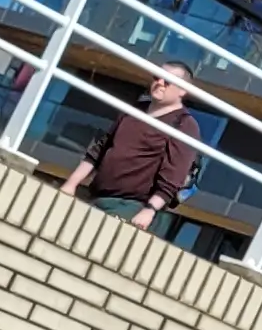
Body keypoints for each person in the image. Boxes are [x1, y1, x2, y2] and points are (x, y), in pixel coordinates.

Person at [58, 69, 198, 234]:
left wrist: (150, 210)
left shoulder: (184, 124)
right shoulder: (134, 109)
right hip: (97, 197)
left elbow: (174, 176)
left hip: (131, 207)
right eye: (156, 77)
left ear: (183, 90)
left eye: (167, 80)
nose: (159, 82)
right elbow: (99, 150)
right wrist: (71, 183)